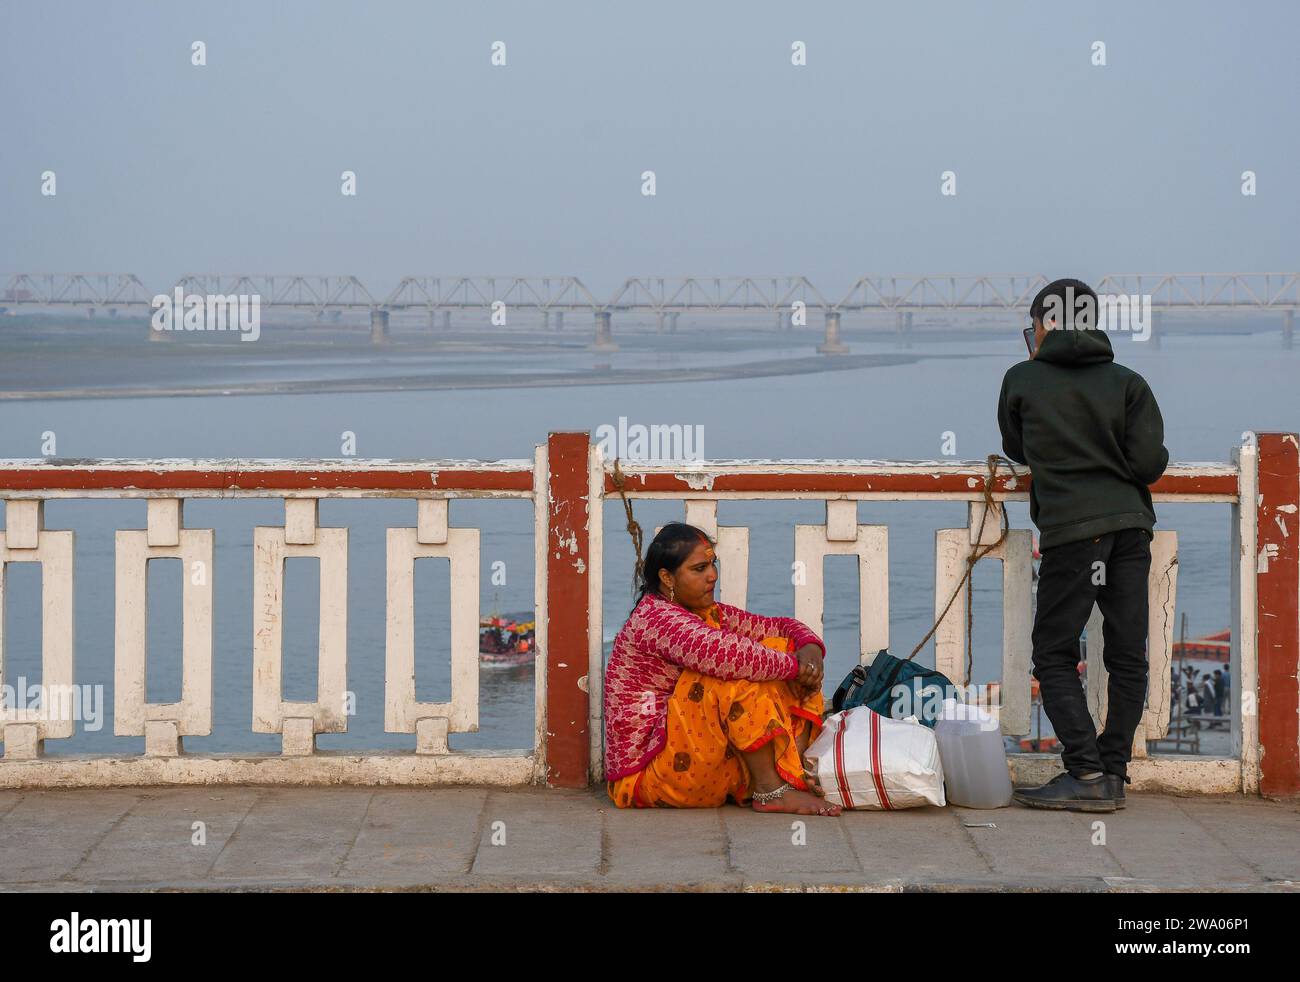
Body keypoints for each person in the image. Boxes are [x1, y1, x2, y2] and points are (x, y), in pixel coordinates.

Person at [998, 279, 1169, 812]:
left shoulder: (1022, 380)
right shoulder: (1128, 383)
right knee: (1125, 654)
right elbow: (1148, 464)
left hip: (1073, 533)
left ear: (1045, 325)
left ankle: (1086, 770)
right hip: (1130, 529)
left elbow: (1015, 447)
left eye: (1032, 330)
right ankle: (1112, 772)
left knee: (1052, 652)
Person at [603, 522, 840, 816]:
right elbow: (728, 656)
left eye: (712, 564)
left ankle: (793, 771)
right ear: (667, 577)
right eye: (699, 569)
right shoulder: (656, 619)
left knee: (780, 648)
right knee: (730, 678)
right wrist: (797, 667)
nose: (712, 575)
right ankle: (771, 791)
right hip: (649, 772)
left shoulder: (705, 612)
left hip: (694, 755)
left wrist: (809, 651)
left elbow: (779, 627)